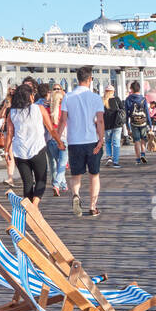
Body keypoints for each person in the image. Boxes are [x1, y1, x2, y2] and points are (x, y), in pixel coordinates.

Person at [56, 65, 105, 216]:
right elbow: (100, 121)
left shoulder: (68, 97)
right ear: (90, 79)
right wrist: (101, 140)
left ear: (77, 79)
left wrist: (58, 139)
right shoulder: (96, 98)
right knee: (94, 175)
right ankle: (92, 206)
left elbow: (63, 121)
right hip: (92, 141)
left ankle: (76, 195)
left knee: (76, 175)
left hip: (74, 142)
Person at [5, 83, 62, 204]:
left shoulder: (12, 113)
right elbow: (51, 129)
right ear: (30, 96)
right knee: (41, 180)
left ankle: (28, 208)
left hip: (20, 152)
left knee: (27, 183)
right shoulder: (39, 109)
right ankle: (34, 206)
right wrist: (60, 142)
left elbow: (9, 134)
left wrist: (6, 151)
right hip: (37, 149)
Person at [45, 85, 69, 196]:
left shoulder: (47, 110)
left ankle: (63, 184)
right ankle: (56, 183)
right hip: (62, 139)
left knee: (58, 163)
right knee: (62, 164)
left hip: (50, 140)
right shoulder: (63, 110)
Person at [122, 80, 150, 165]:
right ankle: (143, 153)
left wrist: (127, 125)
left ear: (132, 89)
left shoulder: (128, 99)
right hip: (143, 122)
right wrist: (150, 123)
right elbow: (147, 112)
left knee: (136, 140)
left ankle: (138, 159)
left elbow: (126, 113)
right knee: (143, 139)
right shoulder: (143, 99)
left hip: (134, 122)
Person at [102, 84, 124, 167]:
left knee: (108, 142)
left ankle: (109, 158)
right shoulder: (116, 99)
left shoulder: (103, 100)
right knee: (116, 143)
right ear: (113, 91)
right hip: (117, 124)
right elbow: (122, 109)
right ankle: (115, 161)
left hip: (107, 124)